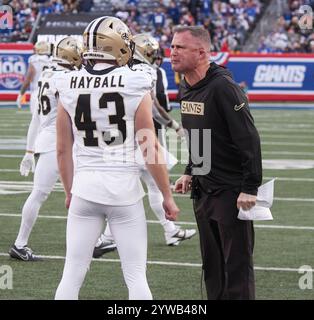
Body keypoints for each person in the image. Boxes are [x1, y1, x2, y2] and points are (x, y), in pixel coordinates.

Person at [54, 17, 179, 300]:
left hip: (84, 189)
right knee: (135, 277)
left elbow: (62, 148)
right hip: (124, 192)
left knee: (72, 274)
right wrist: (166, 195)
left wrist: (68, 190)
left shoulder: (68, 81)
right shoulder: (136, 81)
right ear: (118, 45)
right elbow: (150, 147)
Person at [171, 26, 262, 300]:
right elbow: (197, 134)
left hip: (231, 192)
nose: (172, 52)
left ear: (201, 53)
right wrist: (190, 171)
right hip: (203, 188)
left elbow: (248, 138)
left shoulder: (223, 87)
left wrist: (250, 187)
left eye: (179, 48)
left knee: (235, 268)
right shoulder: (186, 85)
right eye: (172, 46)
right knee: (212, 268)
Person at [93, 33, 195, 258]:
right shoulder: (145, 72)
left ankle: (169, 231)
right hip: (136, 139)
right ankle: (107, 237)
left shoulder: (116, 69)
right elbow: (153, 108)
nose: (154, 57)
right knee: (140, 186)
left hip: (116, 138)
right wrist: (174, 125)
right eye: (150, 52)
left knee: (146, 185)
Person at [9, 37, 83, 261]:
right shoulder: (66, 78)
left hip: (47, 140)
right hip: (60, 143)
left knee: (49, 193)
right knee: (72, 193)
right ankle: (21, 244)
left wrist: (29, 151)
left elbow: (36, 118)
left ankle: (21, 243)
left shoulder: (47, 74)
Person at [16, 40, 52, 113]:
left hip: (37, 93)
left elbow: (28, 79)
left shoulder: (34, 59)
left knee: (36, 122)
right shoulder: (52, 60)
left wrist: (21, 94)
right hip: (51, 94)